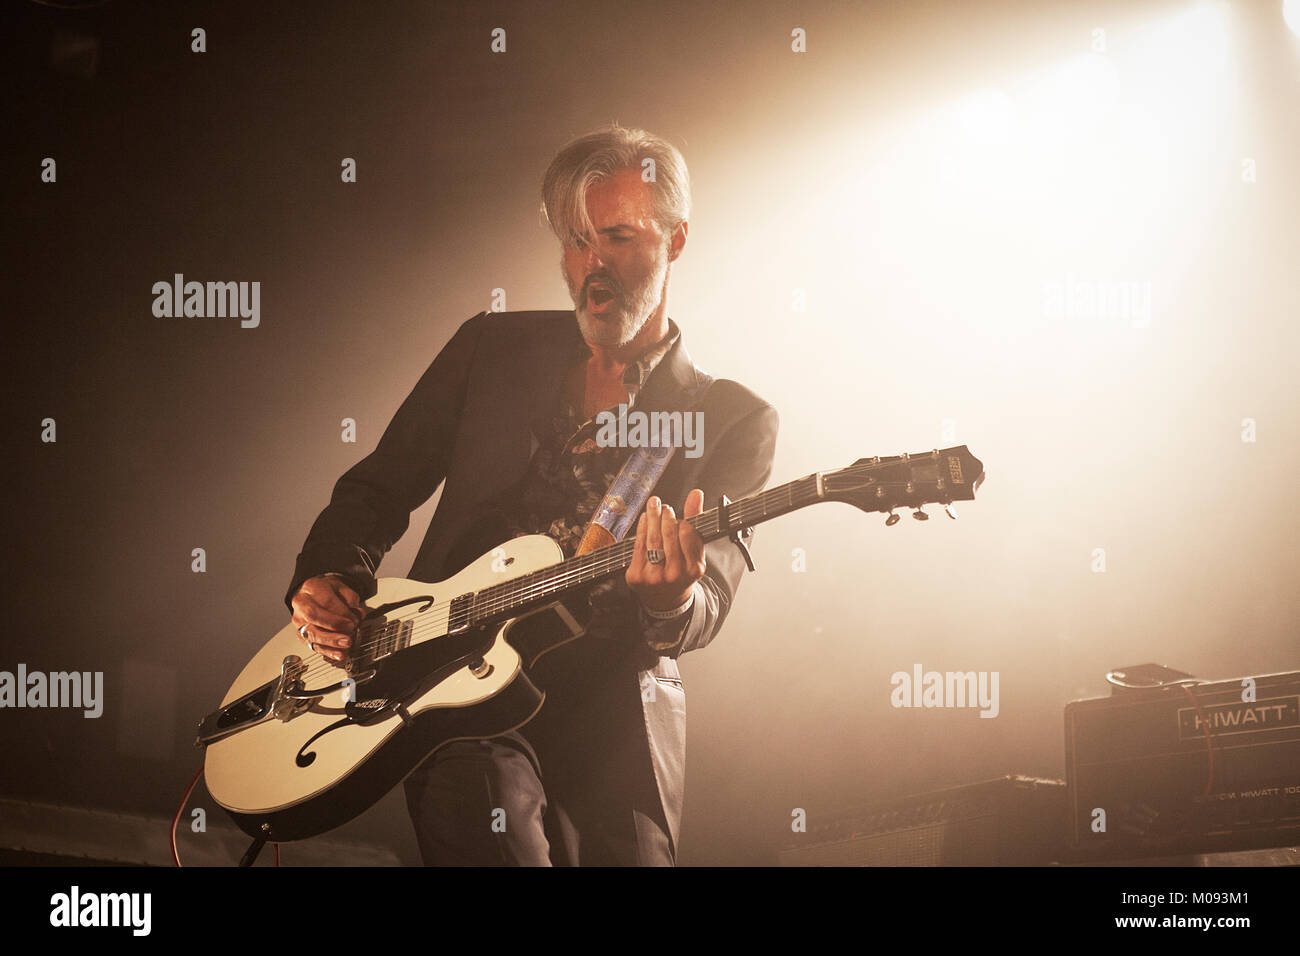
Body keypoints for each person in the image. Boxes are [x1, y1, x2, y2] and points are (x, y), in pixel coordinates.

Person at [285, 125, 778, 865]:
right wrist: (329, 575)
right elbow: (378, 487)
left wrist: (673, 598)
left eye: (617, 238)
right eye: (576, 242)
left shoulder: (731, 417)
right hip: (460, 688)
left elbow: (708, 601)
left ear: (675, 241)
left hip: (614, 714)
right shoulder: (493, 350)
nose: (593, 267)